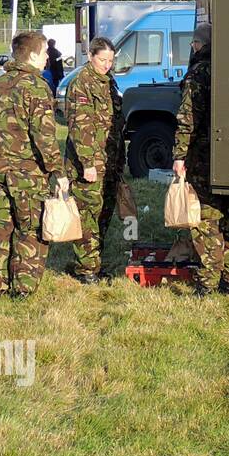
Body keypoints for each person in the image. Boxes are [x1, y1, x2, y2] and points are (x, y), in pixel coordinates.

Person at [0, 31, 68, 300]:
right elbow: (44, 136)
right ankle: (23, 289)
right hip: (28, 175)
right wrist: (56, 171)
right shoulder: (36, 87)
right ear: (34, 54)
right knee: (31, 230)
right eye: (45, 53)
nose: (48, 58)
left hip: (0, 172)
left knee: (0, 230)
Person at [172, 23, 229, 297]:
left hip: (204, 159)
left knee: (206, 221)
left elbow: (187, 119)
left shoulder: (199, 73)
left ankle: (207, 284)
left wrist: (179, 155)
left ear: (198, 45)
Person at [63, 36, 125, 284]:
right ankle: (86, 270)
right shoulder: (82, 83)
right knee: (88, 216)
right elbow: (80, 126)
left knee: (103, 215)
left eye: (110, 60)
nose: (107, 64)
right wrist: (88, 163)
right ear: (90, 56)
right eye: (102, 60)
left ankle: (95, 264)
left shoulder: (108, 81)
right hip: (89, 164)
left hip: (109, 160)